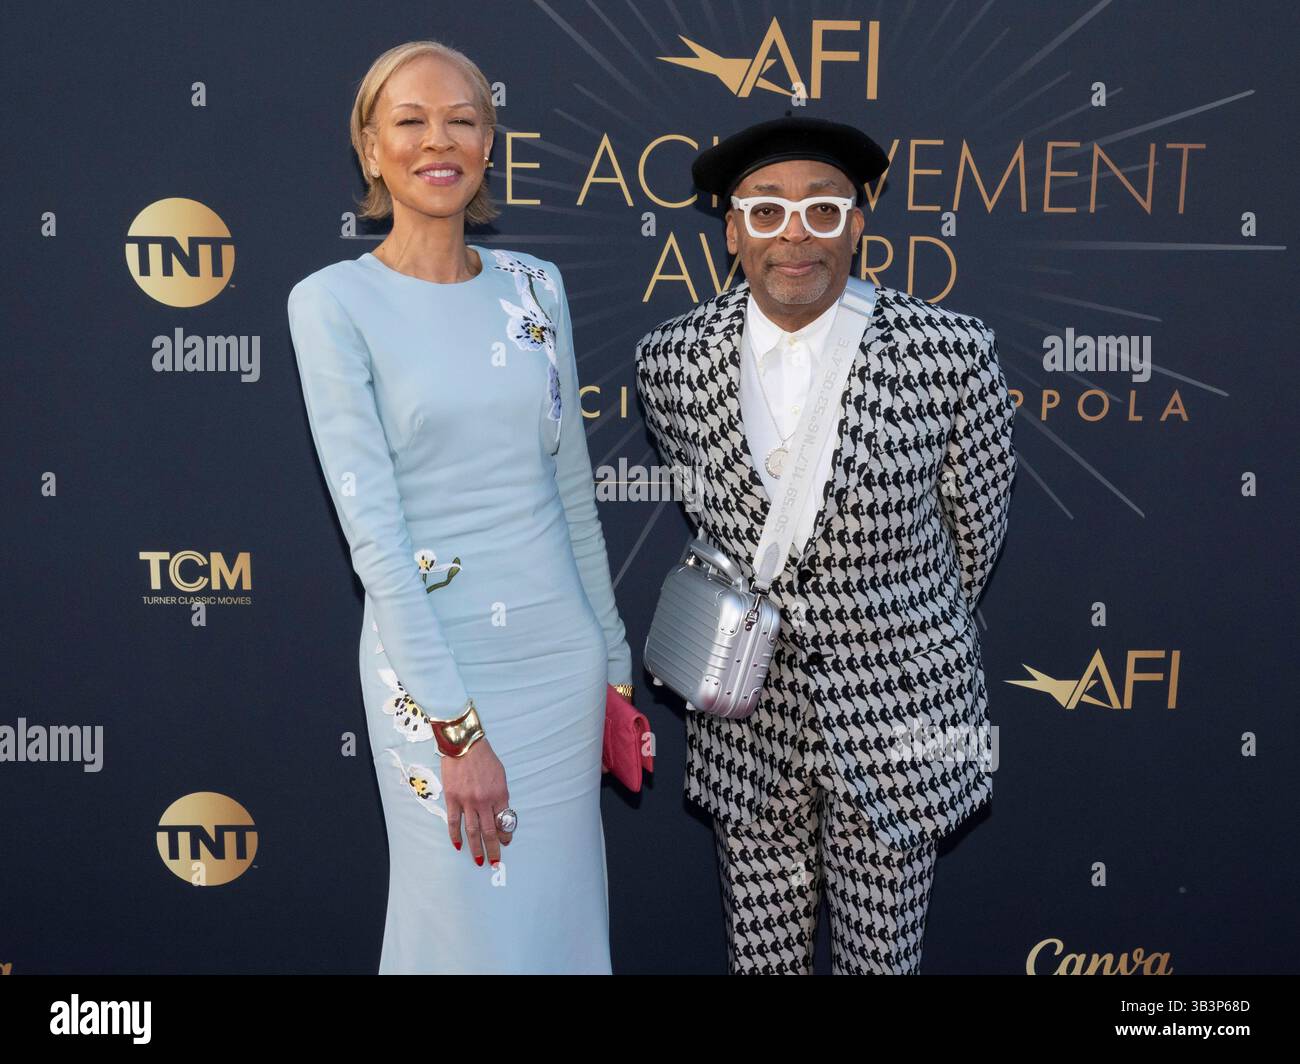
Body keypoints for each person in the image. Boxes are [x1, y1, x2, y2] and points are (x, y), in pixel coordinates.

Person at [634, 115, 1017, 974]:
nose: (795, 235)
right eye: (766, 212)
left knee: (885, 962)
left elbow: (973, 541)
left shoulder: (952, 355)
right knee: (760, 961)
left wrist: (883, 625)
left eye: (822, 209)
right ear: (731, 230)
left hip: (900, 717)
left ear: (858, 221)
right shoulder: (669, 360)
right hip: (745, 720)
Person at [286, 39, 634, 974]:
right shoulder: (332, 304)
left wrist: (613, 668)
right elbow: (377, 540)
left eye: (463, 119)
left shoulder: (535, 288)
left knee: (557, 928)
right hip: (430, 674)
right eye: (410, 120)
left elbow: (569, 489)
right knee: (462, 928)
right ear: (369, 147)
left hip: (558, 664)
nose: (438, 140)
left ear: (489, 142)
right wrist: (456, 728)